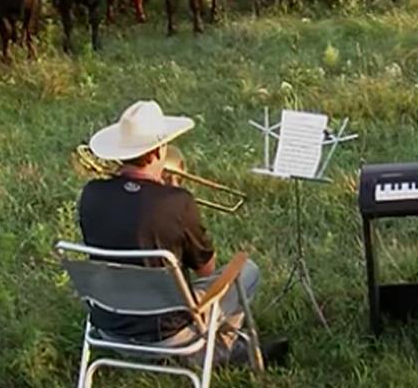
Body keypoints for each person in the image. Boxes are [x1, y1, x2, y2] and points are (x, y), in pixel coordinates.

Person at [78, 100, 288, 366]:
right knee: (246, 271)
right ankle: (224, 351)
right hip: (166, 332)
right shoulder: (177, 202)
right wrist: (175, 198)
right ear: (160, 149)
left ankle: (215, 349)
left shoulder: (91, 193)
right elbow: (207, 270)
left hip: (109, 326)